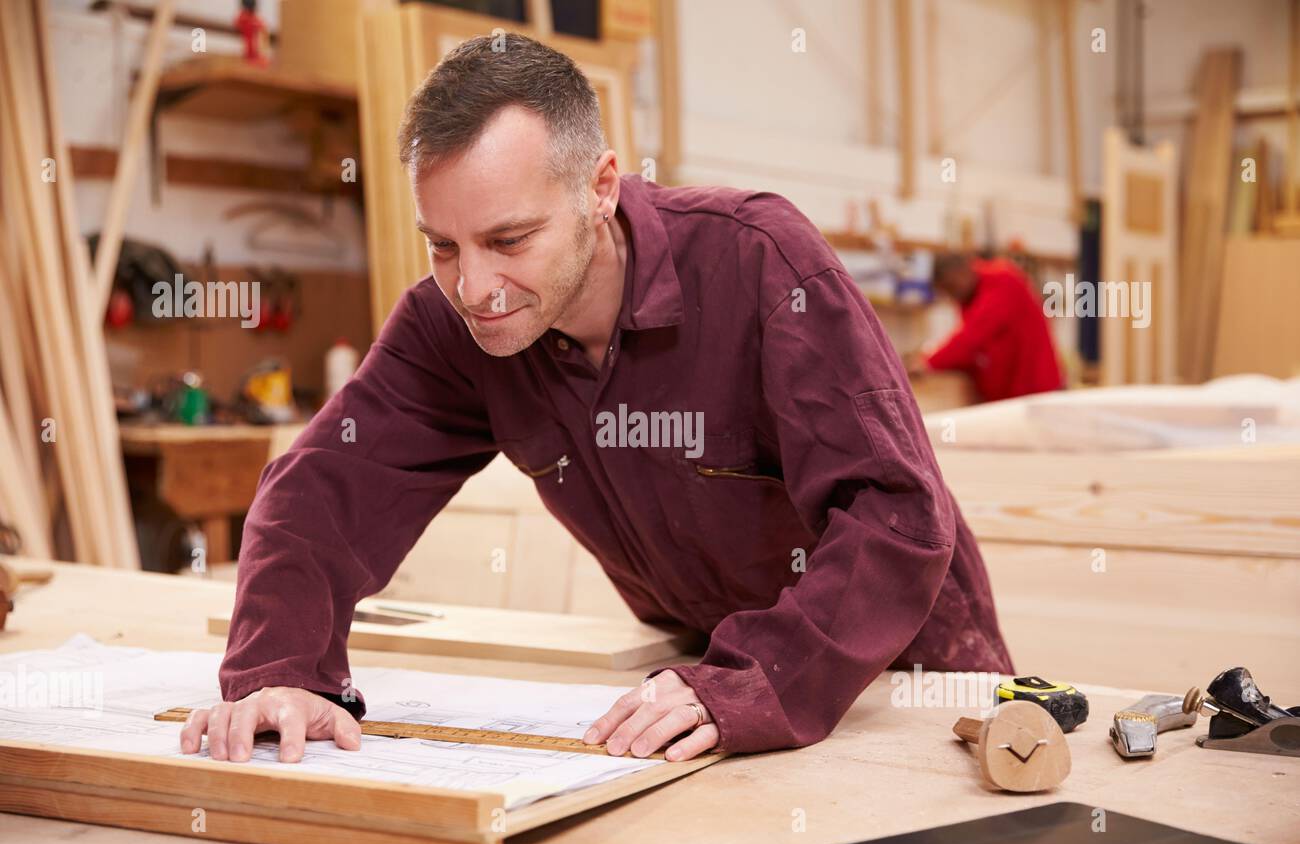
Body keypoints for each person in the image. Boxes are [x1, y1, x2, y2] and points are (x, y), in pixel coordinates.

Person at [180, 33, 1012, 766]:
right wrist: (281, 672)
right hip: (703, 693)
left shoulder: (759, 262)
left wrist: (756, 678)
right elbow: (324, 490)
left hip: (908, 689)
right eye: (443, 246)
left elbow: (896, 515)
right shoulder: (451, 329)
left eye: (509, 241)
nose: (475, 289)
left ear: (601, 187)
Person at [908, 253, 1064, 402]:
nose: (952, 296)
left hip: (1037, 393)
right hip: (1013, 398)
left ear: (961, 271)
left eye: (952, 287)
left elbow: (971, 337)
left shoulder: (1002, 280)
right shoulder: (970, 297)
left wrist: (928, 363)